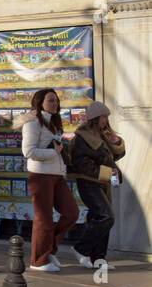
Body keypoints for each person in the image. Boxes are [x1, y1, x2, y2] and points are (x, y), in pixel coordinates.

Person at [20, 87, 78, 272]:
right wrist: (54, 152)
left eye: (56, 100)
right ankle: (38, 260)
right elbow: (28, 151)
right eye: (51, 100)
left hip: (57, 175)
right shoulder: (32, 123)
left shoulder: (54, 123)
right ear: (40, 102)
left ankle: (49, 249)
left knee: (72, 212)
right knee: (43, 218)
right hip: (40, 175)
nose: (55, 103)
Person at [66, 101, 125, 269]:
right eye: (103, 117)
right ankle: (80, 249)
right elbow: (81, 163)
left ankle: (98, 259)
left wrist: (116, 141)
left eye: (106, 117)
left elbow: (115, 156)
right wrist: (107, 173)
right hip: (89, 182)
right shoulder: (82, 138)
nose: (106, 120)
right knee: (107, 217)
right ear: (94, 118)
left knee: (97, 218)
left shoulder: (102, 134)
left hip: (104, 182)